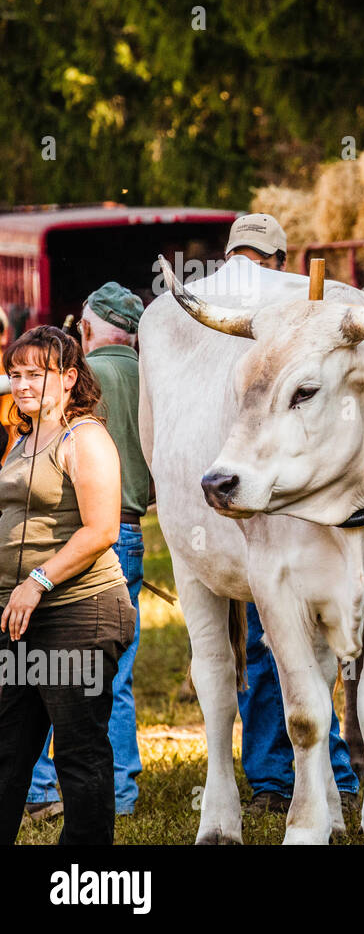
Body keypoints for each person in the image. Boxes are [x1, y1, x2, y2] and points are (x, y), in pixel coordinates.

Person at [193, 215, 360, 810]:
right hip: (274, 512)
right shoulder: (276, 316)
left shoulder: (275, 317)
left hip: (287, 507)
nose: (254, 270)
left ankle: (303, 775)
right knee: (287, 644)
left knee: (296, 646)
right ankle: (294, 776)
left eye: (258, 260)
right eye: (251, 258)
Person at [0, 327, 136, 843]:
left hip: (79, 610)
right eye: (16, 374)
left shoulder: (86, 437)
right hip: (19, 617)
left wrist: (36, 580)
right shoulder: (23, 438)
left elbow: (101, 529)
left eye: (36, 374)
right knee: (8, 747)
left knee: (79, 751)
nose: (22, 384)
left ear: (70, 377)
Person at [24, 283, 153, 823]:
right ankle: (121, 790)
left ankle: (41, 789)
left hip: (75, 536)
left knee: (44, 664)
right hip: (130, 531)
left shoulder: (79, 381)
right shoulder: (155, 377)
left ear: (91, 327)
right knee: (112, 673)